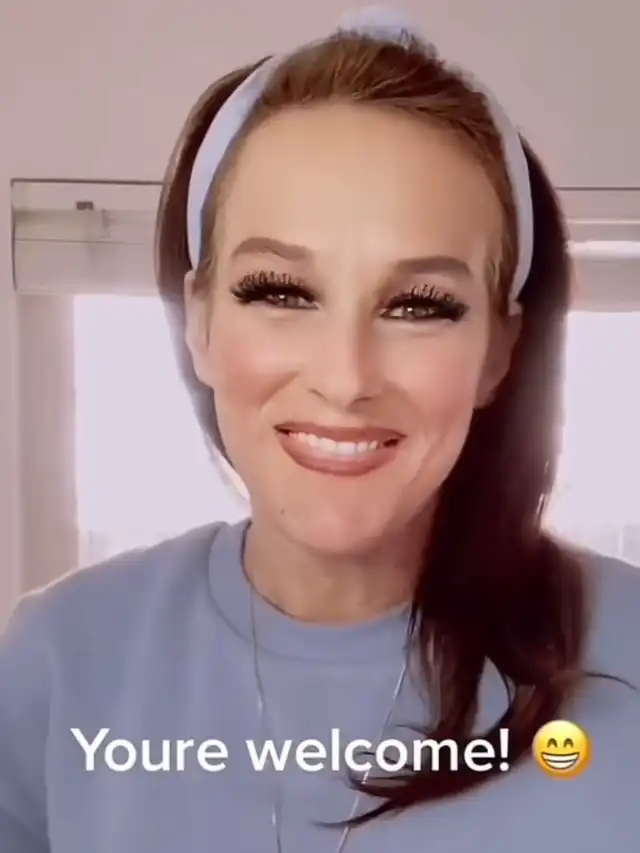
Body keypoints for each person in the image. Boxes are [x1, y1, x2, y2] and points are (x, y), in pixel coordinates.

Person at [1, 8, 639, 853]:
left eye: (421, 305)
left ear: (499, 352)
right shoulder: (58, 660)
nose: (344, 377)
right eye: (279, 291)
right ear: (199, 322)